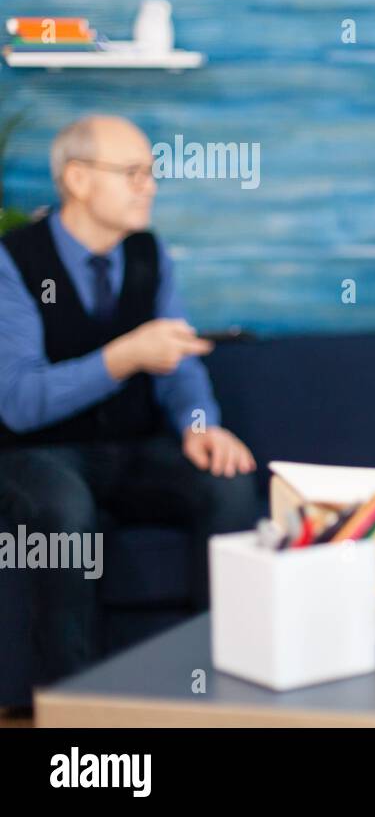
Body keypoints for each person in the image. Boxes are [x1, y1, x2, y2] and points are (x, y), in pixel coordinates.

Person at [0, 114, 260, 686]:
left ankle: (225, 683)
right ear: (77, 179)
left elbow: (177, 359)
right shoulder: (14, 262)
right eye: (132, 172)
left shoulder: (148, 254)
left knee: (229, 484)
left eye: (151, 171)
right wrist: (124, 356)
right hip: (37, 453)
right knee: (64, 515)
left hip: (132, 449)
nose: (150, 185)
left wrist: (199, 425)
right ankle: (75, 708)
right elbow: (18, 401)